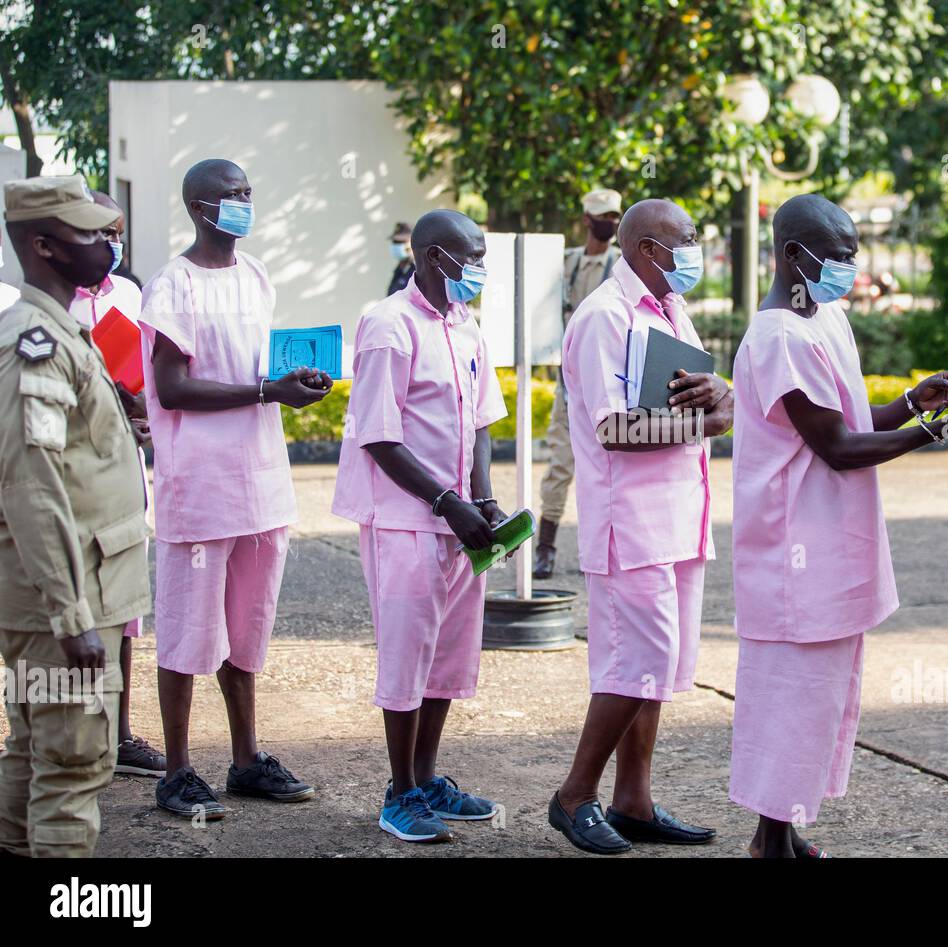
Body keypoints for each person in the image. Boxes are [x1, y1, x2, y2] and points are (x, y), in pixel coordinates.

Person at [727, 194, 948, 858]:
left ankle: (775, 833)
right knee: (787, 702)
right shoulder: (777, 335)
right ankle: (771, 842)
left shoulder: (825, 316)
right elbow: (835, 444)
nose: (849, 266)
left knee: (814, 705)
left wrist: (907, 404)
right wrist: (933, 432)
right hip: (792, 552)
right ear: (792, 255)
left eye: (852, 253)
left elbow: (845, 414)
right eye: (837, 254)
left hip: (829, 547)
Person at [139, 158, 331, 820]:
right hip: (200, 487)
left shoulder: (256, 276)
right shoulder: (174, 285)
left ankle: (247, 759)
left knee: (248, 629)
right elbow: (170, 386)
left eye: (249, 191)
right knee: (188, 631)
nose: (245, 203)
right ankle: (177, 770)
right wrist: (263, 390)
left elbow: (258, 368)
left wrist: (291, 381)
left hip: (261, 484)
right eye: (231, 195)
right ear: (199, 207)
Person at [547, 198, 733, 855]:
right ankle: (574, 794)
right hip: (630, 523)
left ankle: (634, 799)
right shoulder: (604, 318)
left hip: (679, 514)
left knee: (658, 670)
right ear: (647, 250)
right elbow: (611, 427)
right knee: (635, 664)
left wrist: (720, 393)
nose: (694, 252)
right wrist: (704, 423)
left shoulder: (669, 310)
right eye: (684, 242)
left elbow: (683, 398)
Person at [333, 208, 509, 842]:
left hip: (461, 523)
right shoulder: (389, 326)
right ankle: (399, 792)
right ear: (436, 258)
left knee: (447, 658)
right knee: (407, 658)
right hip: (406, 519)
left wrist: (482, 500)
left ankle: (428, 780)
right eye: (473, 256)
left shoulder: (467, 327)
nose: (481, 269)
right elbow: (378, 436)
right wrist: (445, 502)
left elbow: (484, 421)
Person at [0, 175, 151, 856]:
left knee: (34, 752)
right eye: (88, 233)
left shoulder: (56, 327)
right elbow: (31, 485)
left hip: (64, 596)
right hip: (66, 602)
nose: (106, 243)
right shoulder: (36, 339)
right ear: (43, 245)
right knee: (71, 767)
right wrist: (71, 616)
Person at [68, 190, 165, 780]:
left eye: (118, 232)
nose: (111, 243)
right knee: (67, 607)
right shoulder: (49, 307)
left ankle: (119, 732)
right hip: (69, 473)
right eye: (100, 231)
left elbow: (148, 374)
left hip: (125, 465)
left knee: (124, 608)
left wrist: (142, 415)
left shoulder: (131, 295)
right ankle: (64, 734)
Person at [534, 188, 622, 580]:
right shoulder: (565, 264)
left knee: (612, 467)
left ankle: (608, 547)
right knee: (560, 465)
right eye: (605, 216)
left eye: (617, 216)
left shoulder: (622, 264)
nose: (612, 223)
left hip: (611, 381)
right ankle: (546, 547)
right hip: (571, 383)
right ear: (587, 219)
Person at [386, 222, 414, 296]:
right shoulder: (400, 268)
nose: (396, 245)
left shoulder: (421, 270)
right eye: (395, 242)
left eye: (400, 242)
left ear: (413, 242)